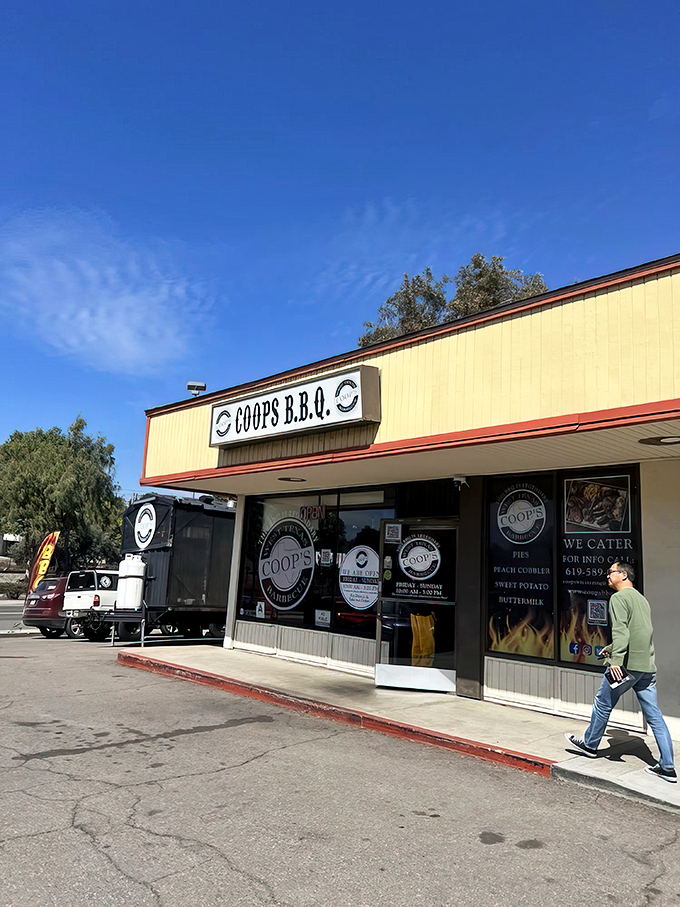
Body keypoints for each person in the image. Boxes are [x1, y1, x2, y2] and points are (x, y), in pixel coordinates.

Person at [565, 561, 676, 782]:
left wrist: (616, 660)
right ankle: (668, 767)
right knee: (654, 716)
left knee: (603, 702)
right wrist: (610, 649)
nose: (608, 576)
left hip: (626, 667)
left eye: (611, 572)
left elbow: (621, 631)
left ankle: (590, 745)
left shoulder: (619, 598)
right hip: (646, 668)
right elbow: (642, 633)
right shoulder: (641, 599)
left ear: (623, 575)